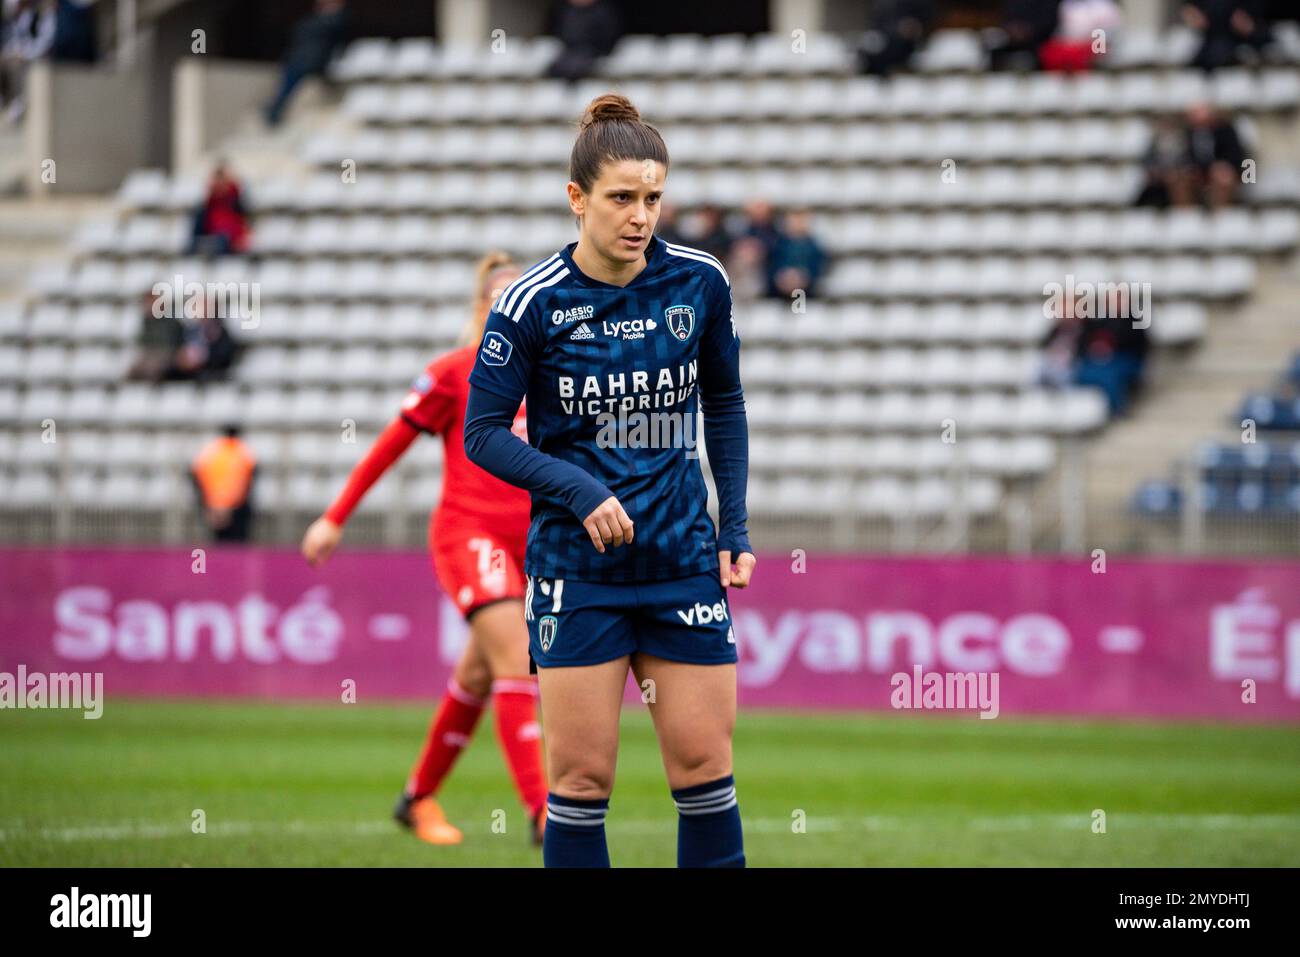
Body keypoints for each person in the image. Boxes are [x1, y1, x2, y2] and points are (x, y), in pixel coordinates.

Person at [463, 93, 754, 868]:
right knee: (582, 781)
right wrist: (580, 490)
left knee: (704, 774)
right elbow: (482, 434)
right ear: (577, 198)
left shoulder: (699, 283)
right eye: (622, 197)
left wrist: (736, 527)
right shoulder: (531, 303)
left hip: (681, 564)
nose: (640, 215)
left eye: (653, 197)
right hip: (576, 575)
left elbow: (723, 402)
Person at [301, 252, 548, 847]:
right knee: (516, 657)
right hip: (470, 535)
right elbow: (390, 445)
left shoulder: (553, 383)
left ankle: (416, 798)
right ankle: (545, 814)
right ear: (482, 308)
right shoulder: (454, 373)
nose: (509, 310)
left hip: (536, 546)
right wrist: (335, 517)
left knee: (481, 671)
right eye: (498, 299)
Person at [263, 0, 349, 126]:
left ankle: (274, 111)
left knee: (289, 86)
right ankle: (274, 112)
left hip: (312, 60)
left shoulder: (334, 20)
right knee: (286, 86)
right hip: (301, 57)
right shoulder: (318, 18)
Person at [191, 425, 257, 542]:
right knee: (237, 542)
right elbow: (251, 477)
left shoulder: (210, 451)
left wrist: (206, 503)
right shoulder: (242, 451)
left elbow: (196, 476)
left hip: (213, 503)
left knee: (219, 544)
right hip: (237, 504)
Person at [544, 0, 622, 83]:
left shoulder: (603, 11)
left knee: (574, 67)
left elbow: (608, 37)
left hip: (592, 52)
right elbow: (560, 32)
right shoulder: (566, 11)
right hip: (570, 51)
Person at [187, 163, 250, 257]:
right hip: (214, 237)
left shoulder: (235, 199)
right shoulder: (208, 204)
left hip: (229, 238)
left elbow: (242, 222)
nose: (220, 184)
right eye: (218, 179)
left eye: (222, 179)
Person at [766, 207, 828, 300]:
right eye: (794, 220)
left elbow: (818, 266)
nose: (797, 224)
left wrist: (803, 277)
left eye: (801, 220)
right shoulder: (778, 244)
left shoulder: (814, 246)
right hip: (779, 289)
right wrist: (782, 277)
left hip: (807, 290)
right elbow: (771, 264)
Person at [127, 290, 185, 382]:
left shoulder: (170, 323)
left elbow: (171, 347)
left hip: (166, 357)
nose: (147, 307)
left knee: (153, 369)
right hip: (150, 357)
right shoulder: (146, 323)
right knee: (132, 371)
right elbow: (143, 344)